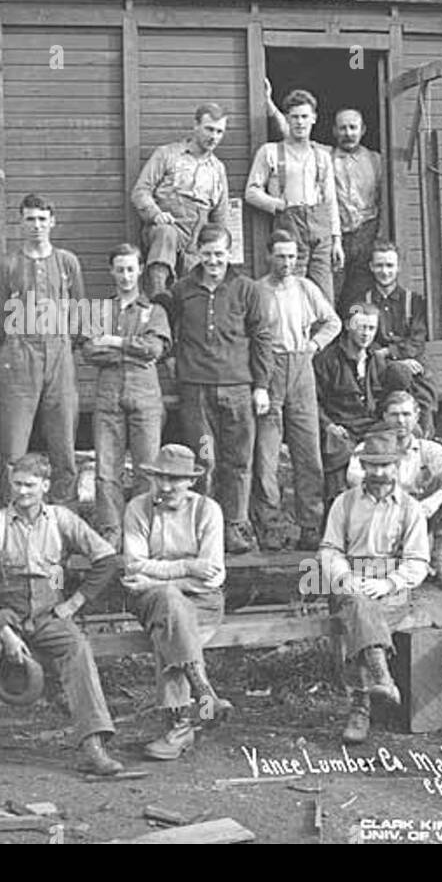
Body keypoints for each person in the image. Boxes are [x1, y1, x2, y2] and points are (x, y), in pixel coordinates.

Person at [0, 454, 125, 781]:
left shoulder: (61, 519)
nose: (22, 491)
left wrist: (73, 604)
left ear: (45, 485)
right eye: (17, 484)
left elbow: (107, 559)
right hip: (4, 613)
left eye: (29, 485)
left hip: (47, 614)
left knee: (77, 648)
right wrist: (4, 632)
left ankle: (94, 745)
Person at [167, 222, 276, 554]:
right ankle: (204, 527)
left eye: (220, 254)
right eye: (208, 253)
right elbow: (167, 331)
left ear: (230, 254)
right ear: (198, 253)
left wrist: (261, 386)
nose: (214, 261)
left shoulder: (247, 290)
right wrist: (174, 365)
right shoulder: (182, 290)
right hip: (197, 392)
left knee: (238, 460)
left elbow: (262, 339)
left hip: (238, 391)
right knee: (204, 459)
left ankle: (234, 526)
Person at [319, 432, 430, 745]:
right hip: (350, 583)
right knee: (357, 604)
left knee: (360, 612)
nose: (379, 474)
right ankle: (381, 680)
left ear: (397, 466)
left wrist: (387, 583)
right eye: (372, 466)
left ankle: (361, 704)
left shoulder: (410, 508)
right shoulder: (345, 502)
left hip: (390, 588)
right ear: (362, 466)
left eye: (386, 466)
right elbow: (329, 549)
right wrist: (344, 576)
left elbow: (418, 562)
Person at [122, 445, 231, 761]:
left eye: (175, 479)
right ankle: (202, 693)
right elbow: (133, 567)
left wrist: (159, 578)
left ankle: (180, 727)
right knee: (169, 606)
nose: (166, 486)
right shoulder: (137, 509)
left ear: (191, 481)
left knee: (169, 624)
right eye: (160, 478)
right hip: (151, 601)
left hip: (202, 603)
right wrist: (187, 568)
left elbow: (211, 577)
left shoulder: (208, 510)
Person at [0, 193, 86, 508]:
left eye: (42, 219)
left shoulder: (67, 261)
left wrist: (63, 345)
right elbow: (1, 317)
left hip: (59, 353)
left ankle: (66, 515)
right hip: (20, 354)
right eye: (30, 219)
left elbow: (78, 310)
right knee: (13, 447)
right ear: (21, 222)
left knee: (64, 443)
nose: (36, 226)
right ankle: (7, 519)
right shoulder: (8, 264)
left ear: (52, 222)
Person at [252, 230, 341, 551]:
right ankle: (270, 528)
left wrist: (314, 345)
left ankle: (310, 526)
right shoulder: (257, 290)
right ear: (268, 257)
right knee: (266, 455)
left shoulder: (306, 288)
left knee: (308, 452)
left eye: (292, 257)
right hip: (269, 368)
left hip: (301, 367)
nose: (287, 262)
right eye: (281, 256)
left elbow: (333, 322)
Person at [85, 243, 172, 545]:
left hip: (145, 398)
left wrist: (115, 343)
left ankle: (142, 530)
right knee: (106, 468)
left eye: (130, 269)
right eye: (119, 269)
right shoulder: (100, 310)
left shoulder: (154, 311)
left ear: (140, 270)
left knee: (147, 468)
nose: (125, 276)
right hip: (108, 396)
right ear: (112, 271)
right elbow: (89, 351)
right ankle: (111, 531)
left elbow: (154, 349)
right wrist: (131, 349)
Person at [347, 391, 442, 591]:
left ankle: (439, 561)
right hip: (382, 518)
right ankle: (385, 562)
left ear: (416, 417)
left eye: (406, 414)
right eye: (394, 415)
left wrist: (433, 501)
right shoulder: (369, 447)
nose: (400, 421)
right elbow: (353, 477)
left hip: (420, 515)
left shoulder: (427, 449)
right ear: (385, 416)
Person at [244, 89, 343, 302]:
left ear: (314, 119)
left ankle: (322, 336)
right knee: (289, 293)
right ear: (287, 119)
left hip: (320, 230)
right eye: (295, 117)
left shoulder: (322, 155)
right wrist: (277, 204)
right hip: (289, 230)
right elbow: (251, 192)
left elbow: (330, 199)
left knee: (323, 296)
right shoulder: (270, 151)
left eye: (305, 116)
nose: (300, 122)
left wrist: (337, 240)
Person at [132, 103, 233, 300]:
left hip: (196, 234)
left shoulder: (218, 169)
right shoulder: (167, 154)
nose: (214, 137)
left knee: (196, 279)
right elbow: (140, 191)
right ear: (195, 125)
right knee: (166, 233)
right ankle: (159, 295)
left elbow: (220, 217)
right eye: (209, 129)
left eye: (219, 132)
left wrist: (220, 245)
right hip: (166, 227)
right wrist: (156, 214)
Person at [346, 241, 439, 437]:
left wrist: (392, 353)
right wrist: (386, 356)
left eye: (389, 265)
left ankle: (423, 438)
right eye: (379, 265)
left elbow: (417, 339)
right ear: (371, 267)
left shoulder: (414, 302)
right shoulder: (359, 303)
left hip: (412, 363)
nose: (384, 271)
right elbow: (357, 337)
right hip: (378, 365)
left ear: (398, 268)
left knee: (423, 402)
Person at [314, 303, 390, 500]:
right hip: (341, 427)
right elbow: (313, 401)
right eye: (361, 327)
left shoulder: (376, 358)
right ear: (348, 326)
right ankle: (336, 516)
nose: (366, 334)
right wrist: (328, 425)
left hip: (370, 426)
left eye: (371, 328)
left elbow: (383, 398)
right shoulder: (327, 360)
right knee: (338, 458)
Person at [331, 108, 386, 307]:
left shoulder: (376, 160)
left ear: (362, 130)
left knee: (361, 292)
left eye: (353, 127)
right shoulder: (325, 159)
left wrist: (380, 233)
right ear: (334, 132)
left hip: (367, 233)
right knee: (332, 291)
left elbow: (384, 199)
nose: (348, 133)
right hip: (337, 236)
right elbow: (294, 137)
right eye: (342, 128)